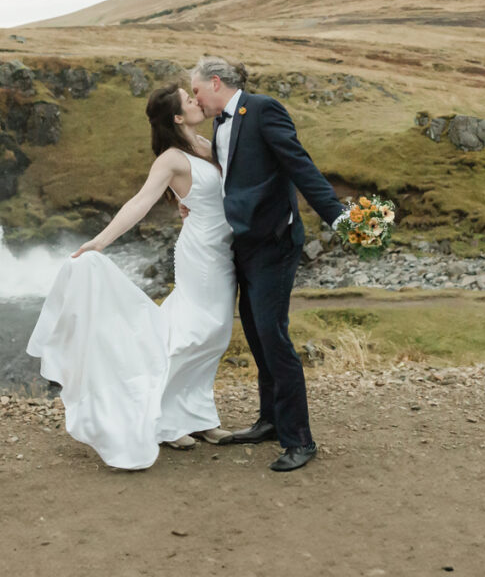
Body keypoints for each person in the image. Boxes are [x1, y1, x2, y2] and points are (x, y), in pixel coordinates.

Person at [26, 83, 235, 470]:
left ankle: (198, 414)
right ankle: (166, 420)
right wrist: (102, 241)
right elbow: (141, 201)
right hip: (201, 252)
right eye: (188, 100)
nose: (195, 100)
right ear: (176, 116)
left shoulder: (208, 142)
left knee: (217, 333)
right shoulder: (171, 158)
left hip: (226, 249)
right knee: (196, 330)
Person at [189, 55, 345, 472]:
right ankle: (270, 420)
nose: (195, 99)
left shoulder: (262, 109)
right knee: (257, 334)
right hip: (243, 242)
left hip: (274, 243)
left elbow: (299, 164)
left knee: (274, 337)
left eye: (197, 91)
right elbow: (231, 177)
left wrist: (340, 218)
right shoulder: (221, 126)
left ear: (216, 82)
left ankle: (300, 440)